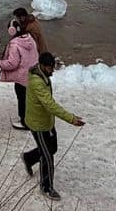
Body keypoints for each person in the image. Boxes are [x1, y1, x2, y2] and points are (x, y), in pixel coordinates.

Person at [23, 52, 84, 201]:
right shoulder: (37, 82)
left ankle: (28, 158)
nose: (53, 71)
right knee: (48, 156)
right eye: (51, 68)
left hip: (46, 121)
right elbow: (50, 104)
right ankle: (46, 187)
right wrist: (71, 118)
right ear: (43, 66)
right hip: (39, 125)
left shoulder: (43, 76)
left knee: (52, 149)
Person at [0, 18, 39, 130]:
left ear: (12, 30)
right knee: (30, 99)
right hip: (33, 75)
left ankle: (25, 122)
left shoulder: (15, 45)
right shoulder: (30, 39)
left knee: (22, 99)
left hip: (22, 78)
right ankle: (32, 119)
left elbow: (12, 63)